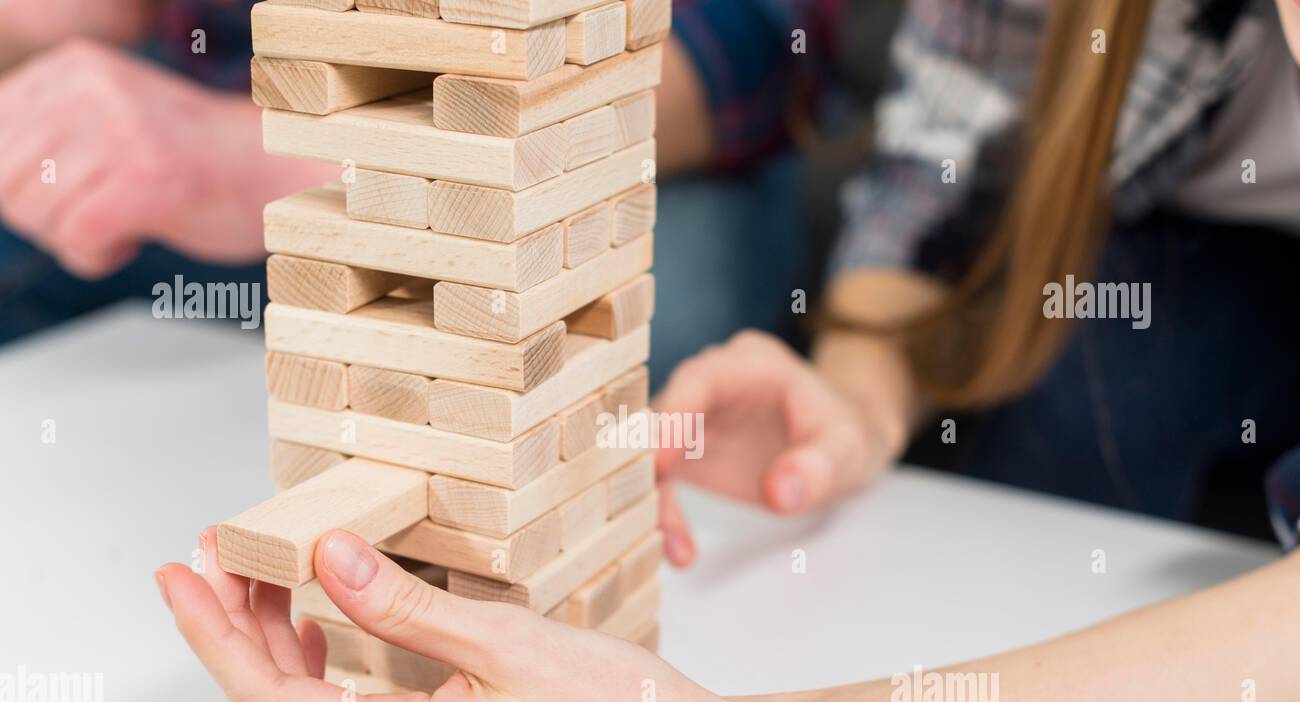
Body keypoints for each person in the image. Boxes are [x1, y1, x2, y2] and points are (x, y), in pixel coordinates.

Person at [155, 0, 1300, 702]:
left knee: (1103, 403)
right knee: (1073, 388)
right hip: (1174, 214)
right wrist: (861, 390)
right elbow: (938, 173)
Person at [0, 0, 843, 385]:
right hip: (225, 103)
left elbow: (748, 53)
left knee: (653, 298)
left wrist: (285, 159)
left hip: (589, 137)